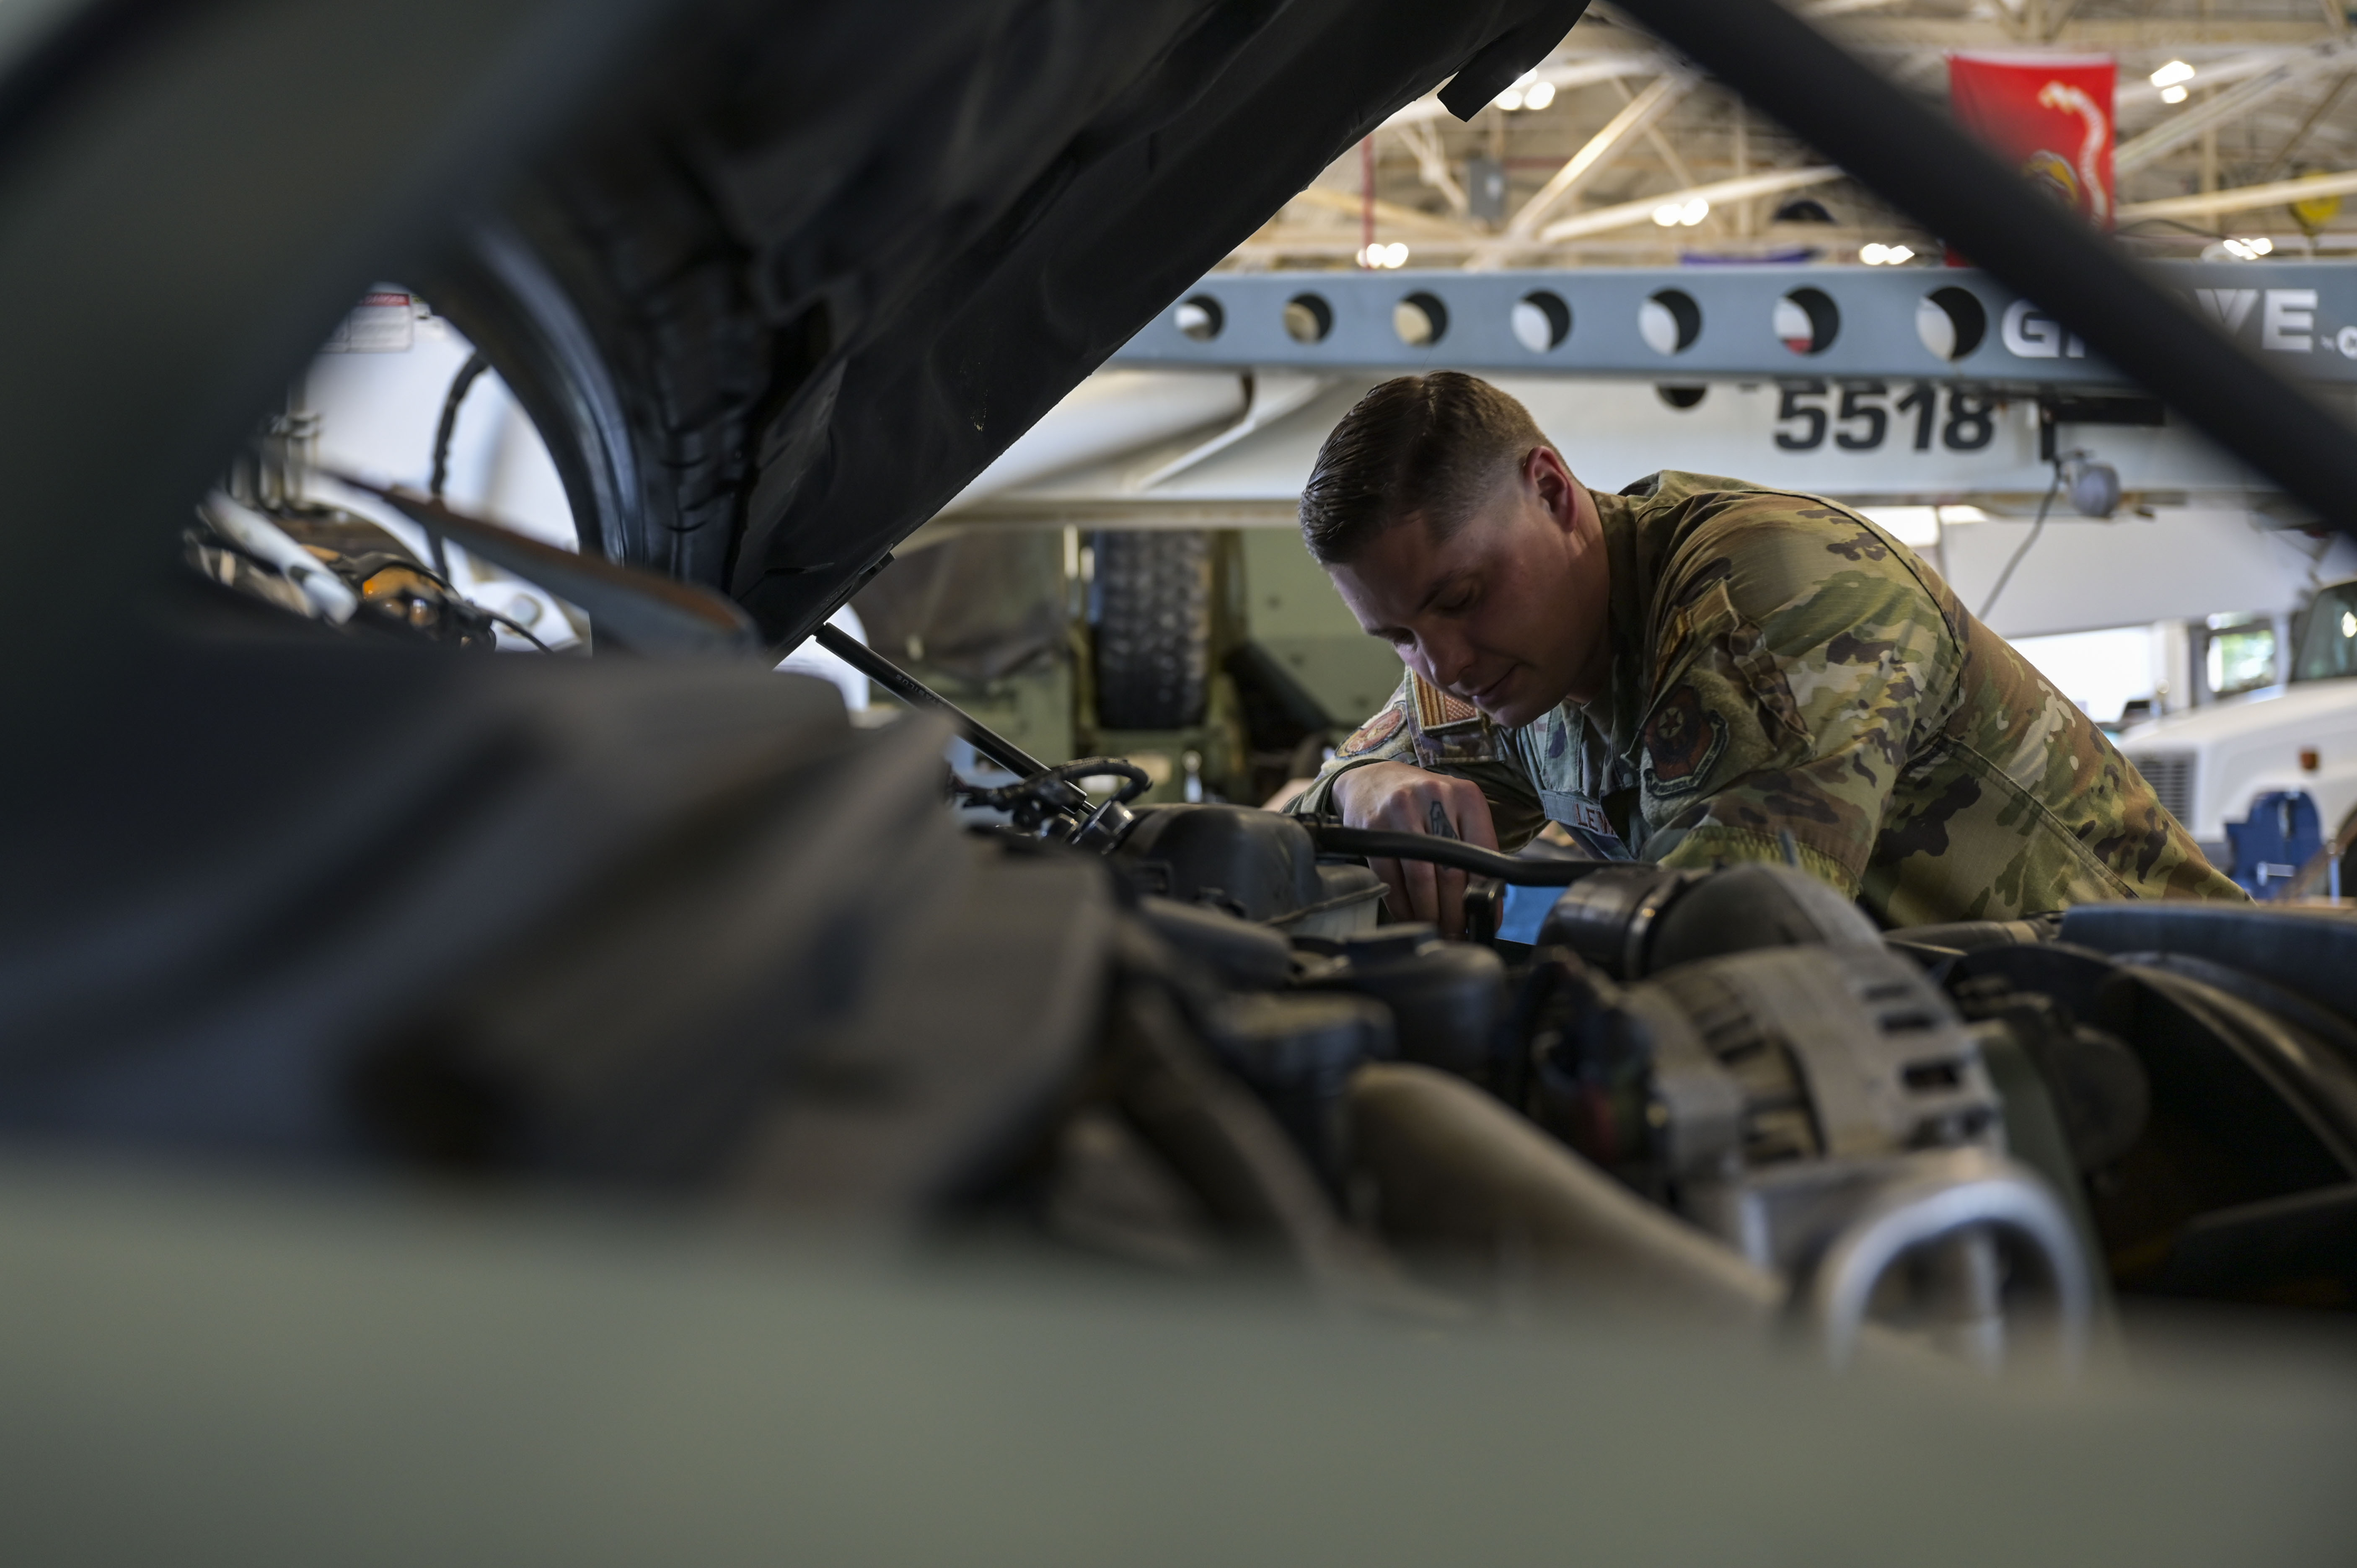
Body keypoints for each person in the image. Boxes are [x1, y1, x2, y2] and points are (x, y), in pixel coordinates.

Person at [1281, 371, 2245, 935]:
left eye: (1459, 598)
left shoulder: (1779, 591)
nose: (1441, 663)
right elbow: (1338, 790)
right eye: (1399, 636)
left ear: (1550, 491)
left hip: (2195, 1039)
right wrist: (1363, 789)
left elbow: (1738, 926)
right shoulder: (1505, 664)